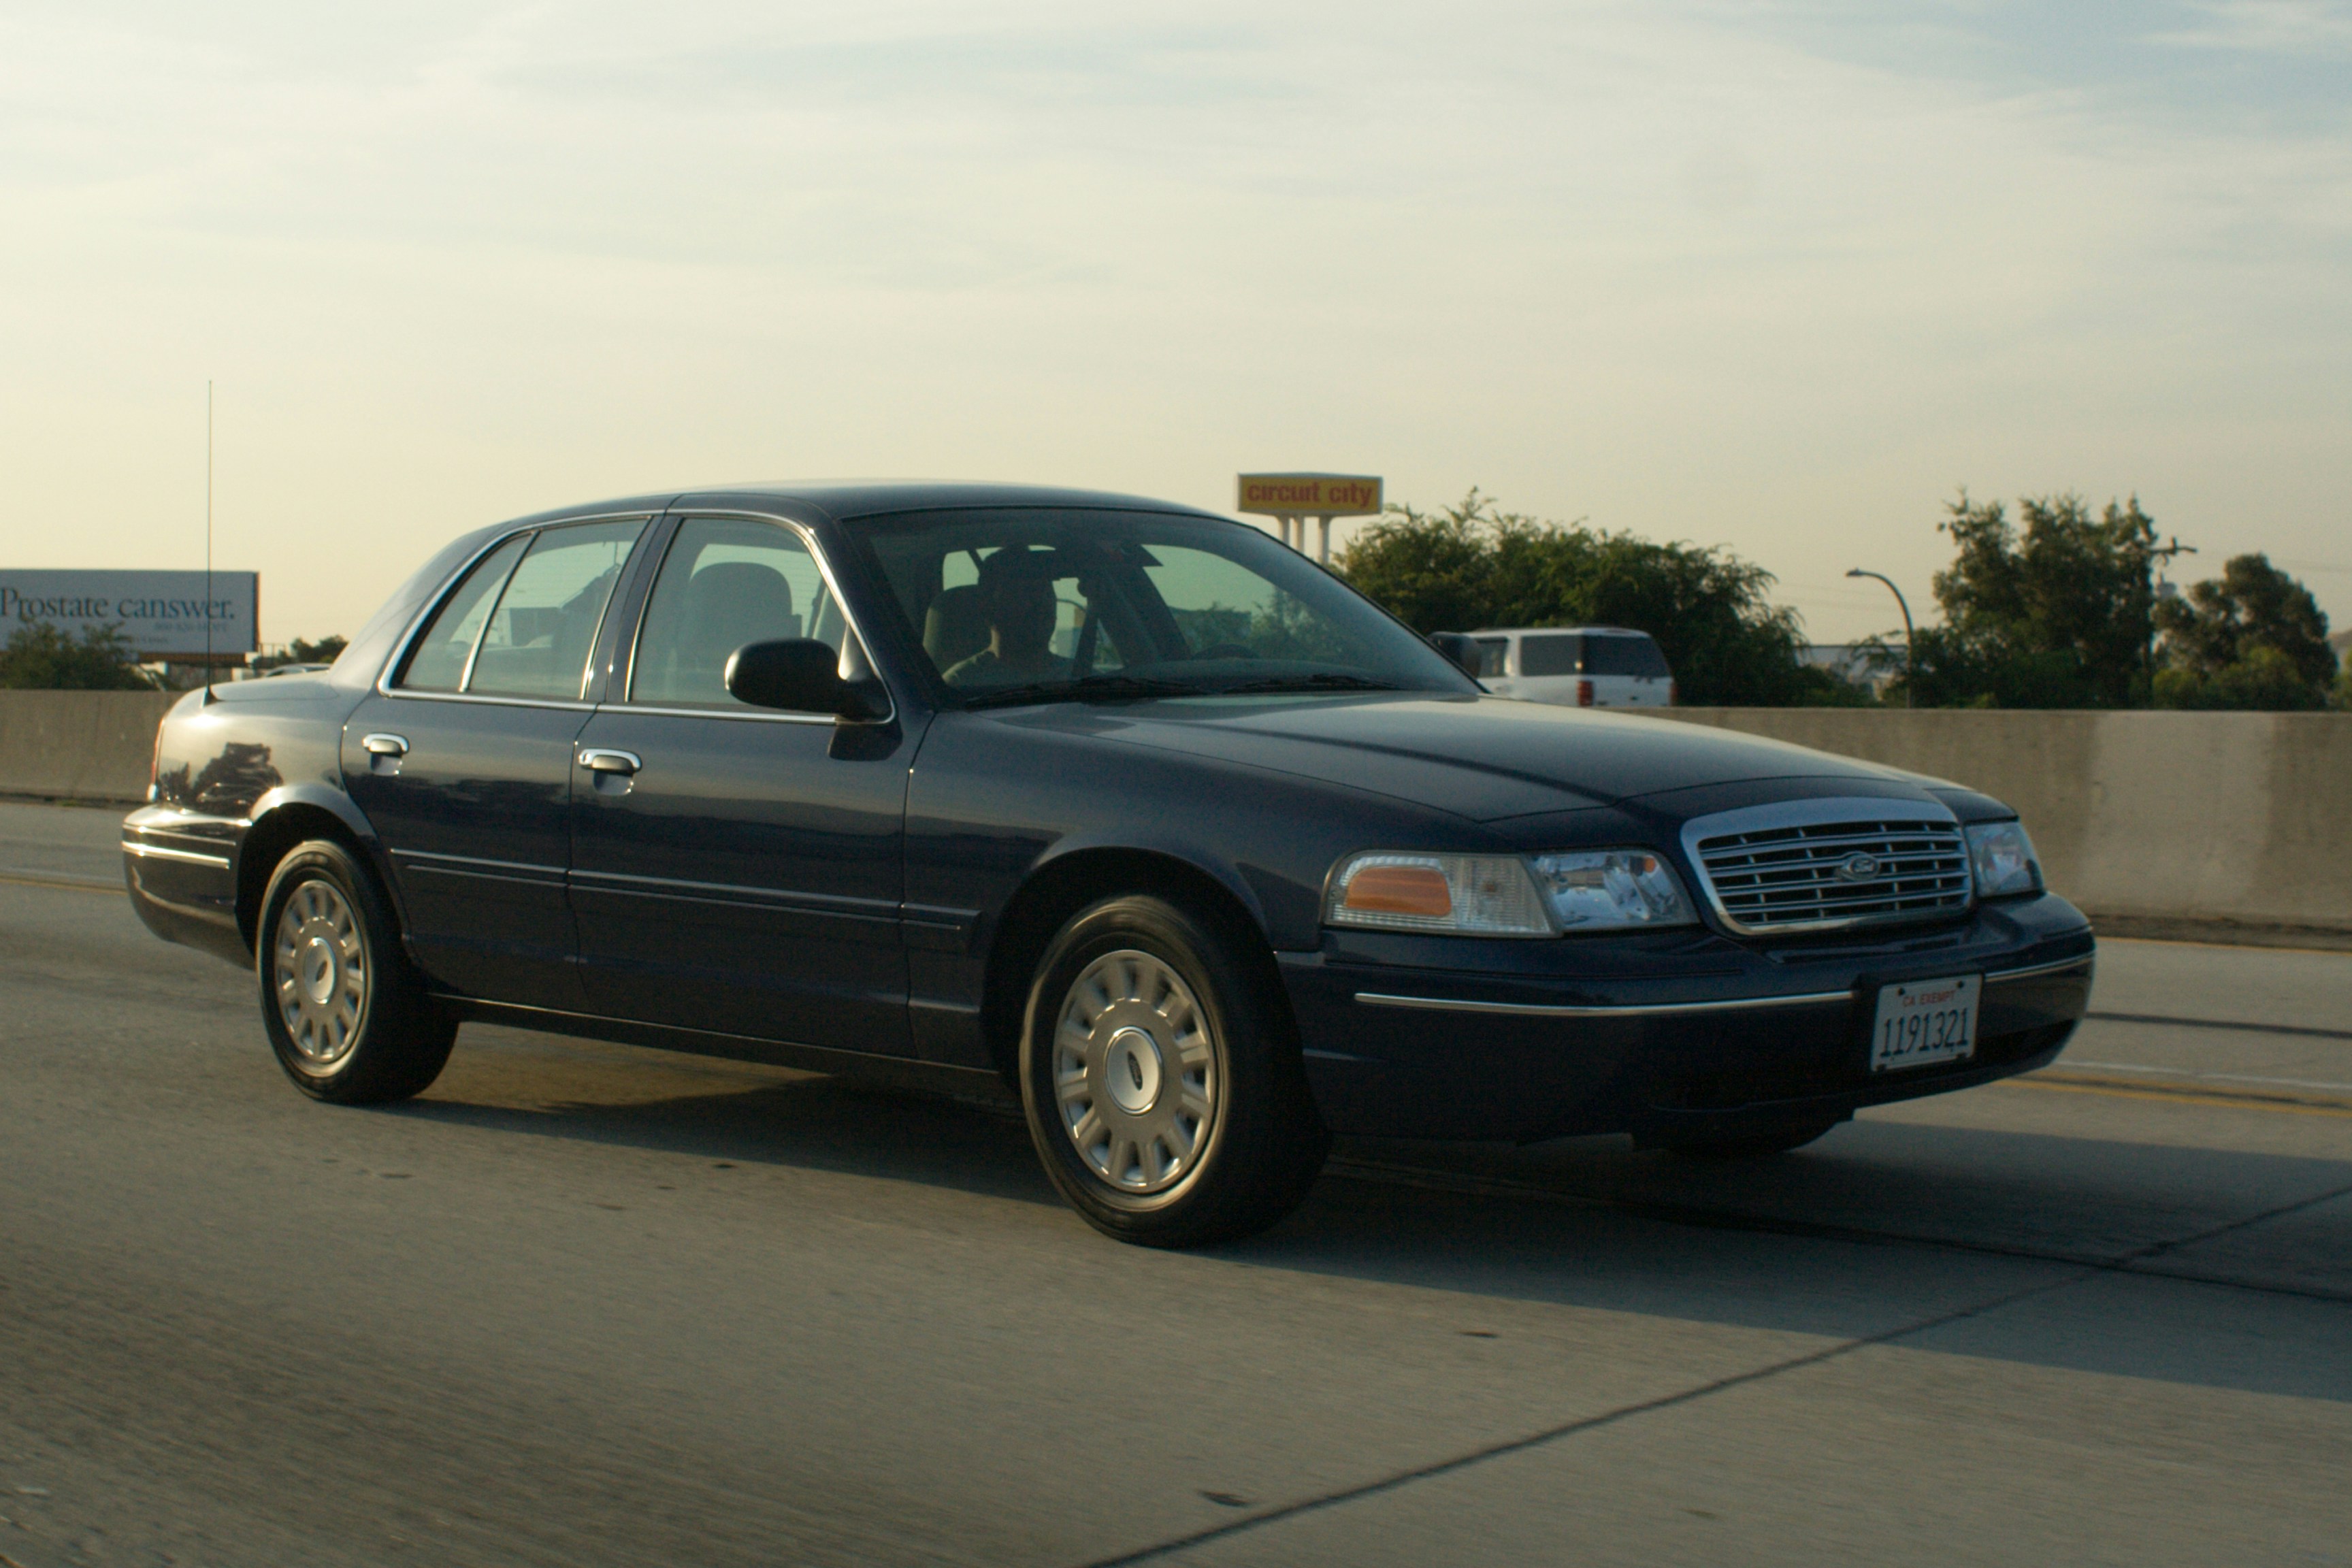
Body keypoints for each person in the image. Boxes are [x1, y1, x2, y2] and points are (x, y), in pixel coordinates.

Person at [942, 549, 1071, 687]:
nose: (1040, 603)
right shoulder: (960, 685)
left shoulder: (1085, 681)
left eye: (1045, 591)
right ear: (988, 608)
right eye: (1023, 592)